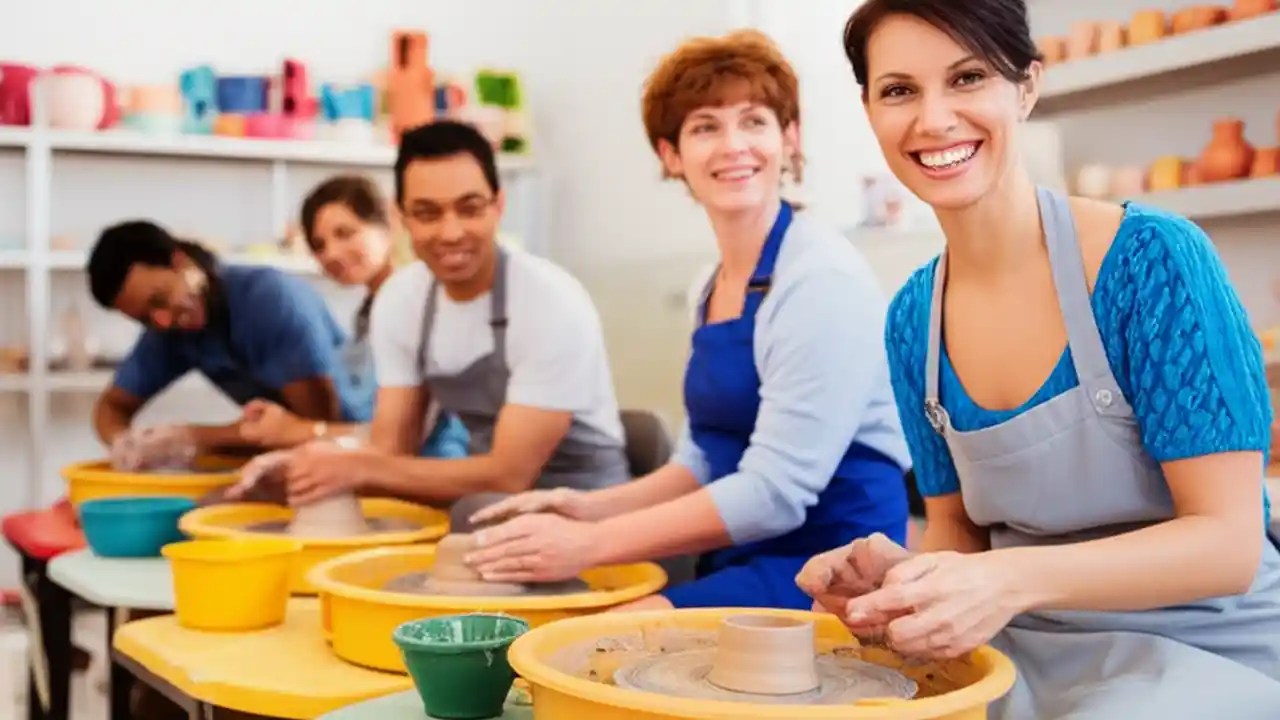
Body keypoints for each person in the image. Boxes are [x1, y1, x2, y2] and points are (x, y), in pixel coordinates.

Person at [796, 1, 1280, 717]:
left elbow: (1229, 546)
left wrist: (1008, 580)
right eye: (900, 90)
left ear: (1025, 87)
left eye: (967, 78)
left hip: (1205, 652)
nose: (933, 120)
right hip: (1014, 650)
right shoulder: (912, 319)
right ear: (868, 108)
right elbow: (958, 532)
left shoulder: (1149, 263)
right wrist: (912, 582)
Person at [465, 30, 911, 611]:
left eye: (754, 121)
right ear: (670, 155)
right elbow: (704, 456)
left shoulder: (821, 280)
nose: (734, 146)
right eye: (705, 127)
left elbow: (775, 493)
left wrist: (590, 544)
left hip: (835, 569)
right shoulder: (711, 285)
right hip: (741, 546)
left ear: (789, 139)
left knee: (605, 642)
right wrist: (588, 506)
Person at [245, 120, 630, 510]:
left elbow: (509, 475)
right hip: (487, 505)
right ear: (403, 219)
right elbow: (392, 449)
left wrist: (354, 466)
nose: (450, 233)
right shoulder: (402, 302)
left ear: (499, 205)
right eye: (427, 213)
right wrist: (307, 465)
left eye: (470, 209)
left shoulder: (549, 301)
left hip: (588, 509)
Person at [87, 220, 363, 468]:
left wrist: (196, 438)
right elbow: (111, 407)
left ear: (180, 262)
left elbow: (313, 429)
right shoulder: (169, 328)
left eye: (158, 300)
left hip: (360, 448)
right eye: (145, 319)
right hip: (299, 454)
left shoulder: (269, 300)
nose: (161, 321)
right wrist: (123, 442)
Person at [232, 175, 469, 462]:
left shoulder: (419, 305)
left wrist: (300, 431)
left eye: (345, 233)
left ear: (389, 226)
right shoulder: (367, 315)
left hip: (435, 478)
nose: (331, 253)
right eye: (319, 245)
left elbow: (400, 440)